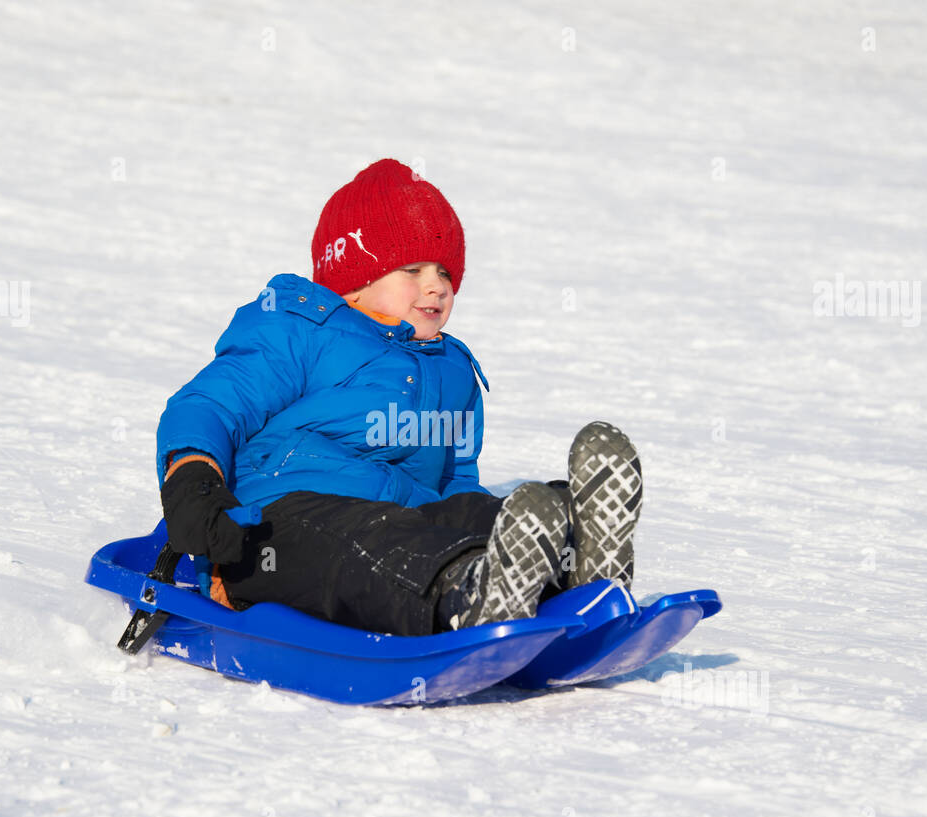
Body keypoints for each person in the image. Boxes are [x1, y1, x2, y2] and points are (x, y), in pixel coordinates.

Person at [155, 159, 642, 635]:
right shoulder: (299, 331)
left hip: (405, 519)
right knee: (369, 543)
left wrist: (478, 515)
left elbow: (455, 478)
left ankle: (572, 556)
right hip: (273, 527)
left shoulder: (452, 371)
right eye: (412, 268)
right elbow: (210, 404)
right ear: (352, 282)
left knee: (471, 513)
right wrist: (192, 478)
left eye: (446, 273)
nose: (437, 285)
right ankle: (467, 593)